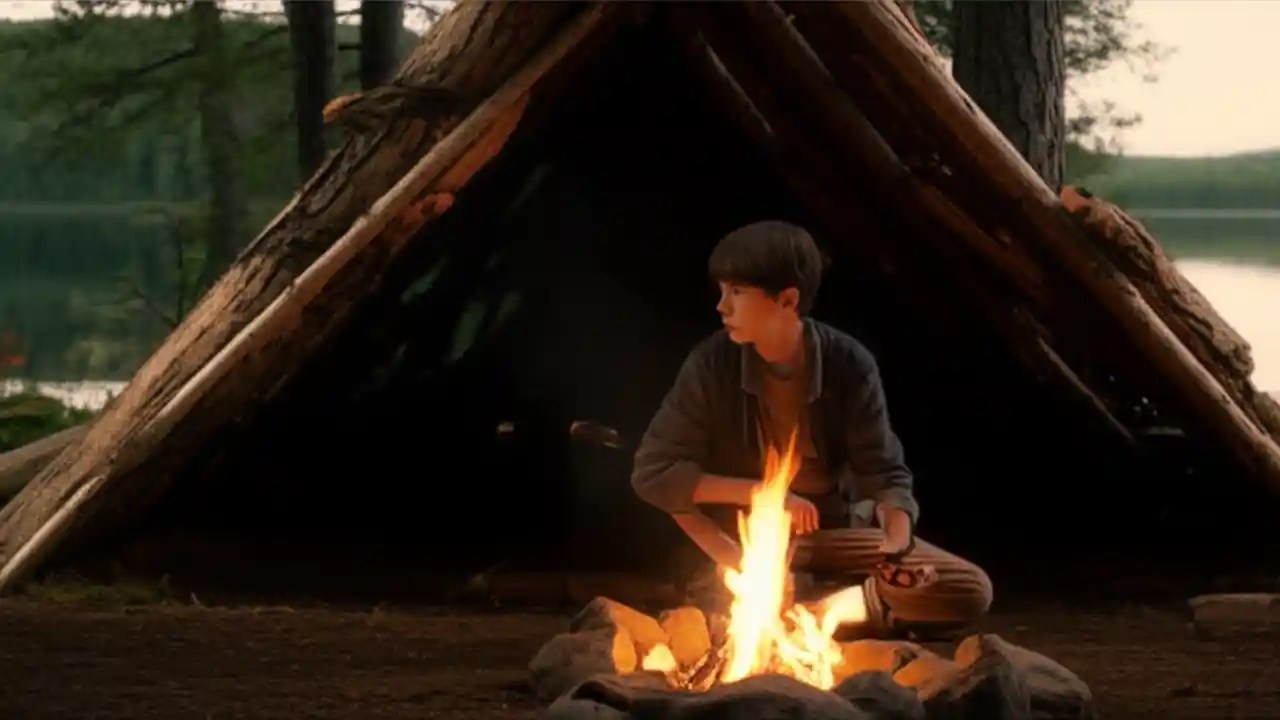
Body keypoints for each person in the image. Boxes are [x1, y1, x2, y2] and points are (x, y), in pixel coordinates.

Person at [630, 219, 992, 639]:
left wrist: (896, 546)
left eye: (738, 293)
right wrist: (767, 495)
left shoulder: (849, 365)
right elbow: (654, 474)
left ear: (787, 300)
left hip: (838, 535)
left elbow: (885, 476)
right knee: (728, 600)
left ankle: (834, 608)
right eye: (723, 291)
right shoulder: (711, 365)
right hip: (751, 541)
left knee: (967, 589)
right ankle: (828, 612)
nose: (722, 307)